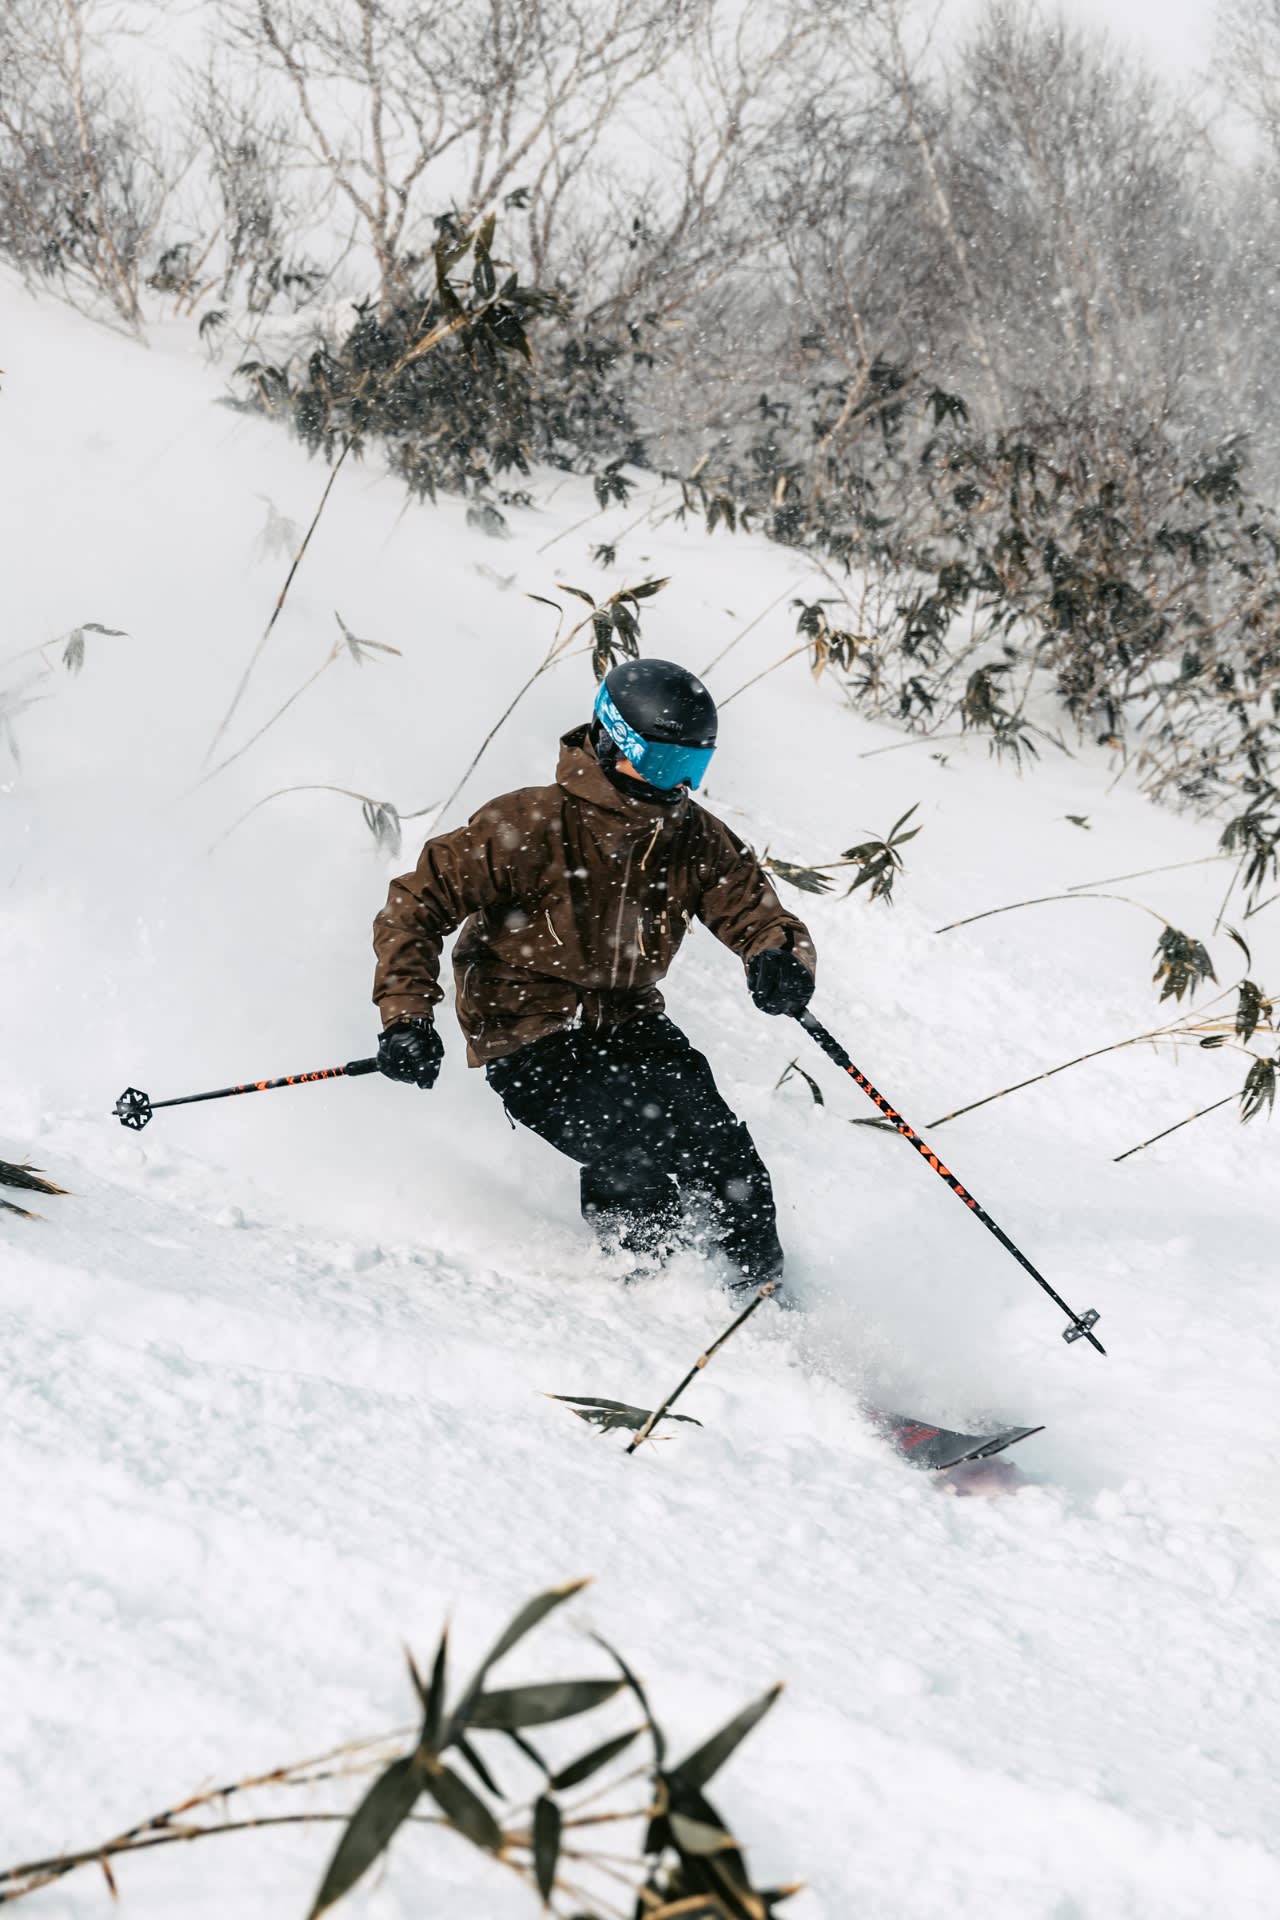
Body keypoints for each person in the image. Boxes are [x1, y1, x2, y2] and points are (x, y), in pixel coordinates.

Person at [371, 657, 816, 1288]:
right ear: (612, 742)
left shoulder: (691, 836)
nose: (678, 785)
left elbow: (755, 910)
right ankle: (652, 1292)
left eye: (693, 767)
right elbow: (413, 906)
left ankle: (761, 1294)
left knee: (727, 1158)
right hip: (527, 1031)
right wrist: (407, 1017)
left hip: (629, 1022)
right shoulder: (527, 825)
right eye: (664, 764)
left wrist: (779, 958)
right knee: (630, 1151)